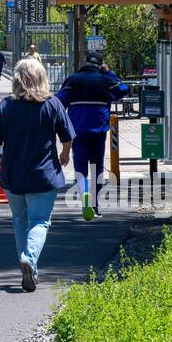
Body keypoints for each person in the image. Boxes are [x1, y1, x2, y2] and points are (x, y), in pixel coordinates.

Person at [0, 59, 75, 293]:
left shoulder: (6, 106)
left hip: (14, 176)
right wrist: (65, 153)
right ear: (42, 78)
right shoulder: (53, 104)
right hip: (44, 176)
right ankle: (29, 258)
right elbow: (68, 135)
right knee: (40, 221)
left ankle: (30, 269)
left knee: (20, 220)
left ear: (17, 79)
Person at [57, 54, 129, 219]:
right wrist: (109, 72)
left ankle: (85, 200)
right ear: (100, 65)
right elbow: (123, 89)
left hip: (77, 131)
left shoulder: (72, 80)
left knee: (80, 168)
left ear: (84, 63)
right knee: (97, 167)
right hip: (98, 131)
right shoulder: (105, 80)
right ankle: (95, 206)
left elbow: (59, 101)